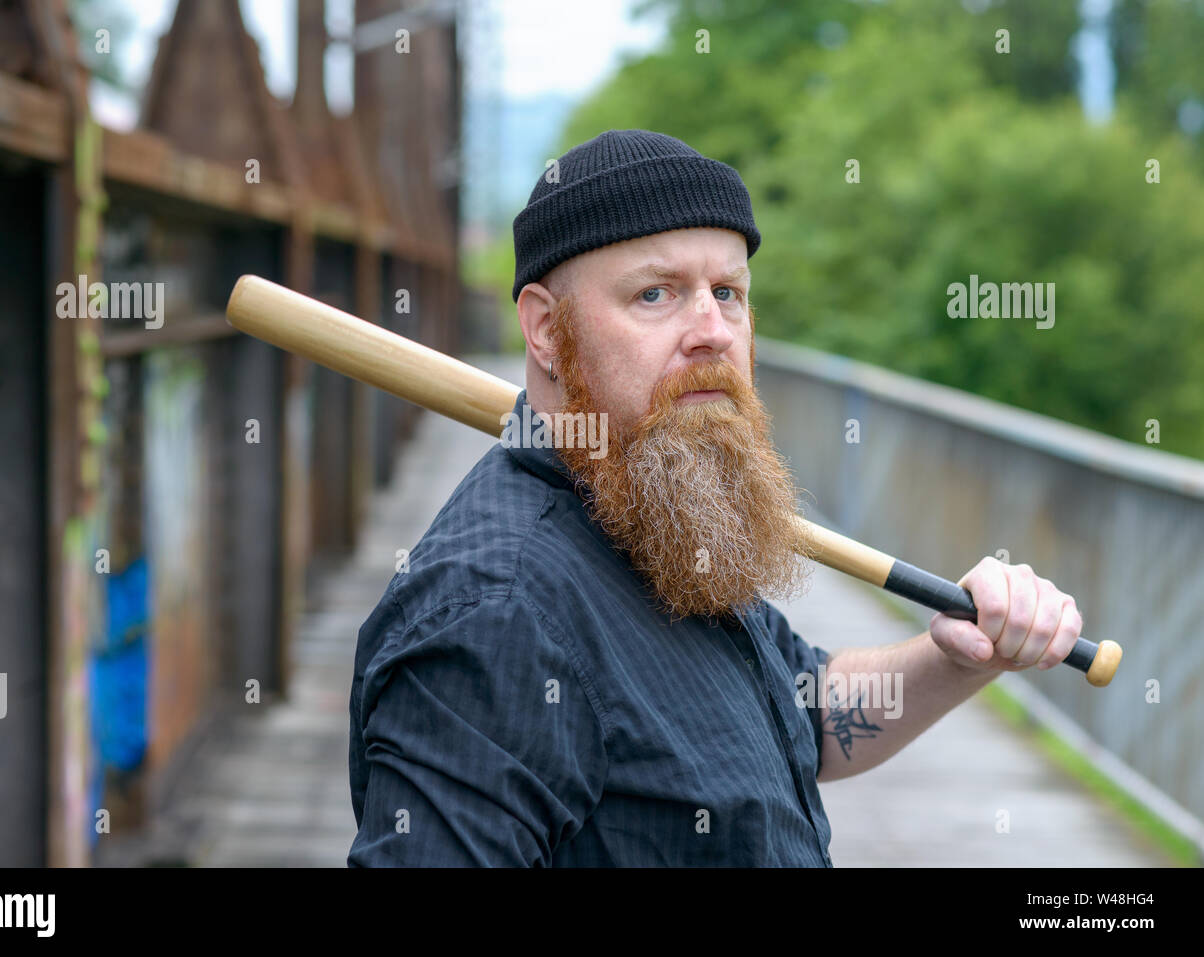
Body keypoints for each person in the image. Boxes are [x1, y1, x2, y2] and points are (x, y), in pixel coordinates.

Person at [346, 129, 1083, 866]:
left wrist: (956, 656)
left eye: (728, 293)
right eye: (655, 293)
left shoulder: (657, 499)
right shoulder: (492, 614)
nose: (712, 331)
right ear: (545, 328)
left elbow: (804, 709)